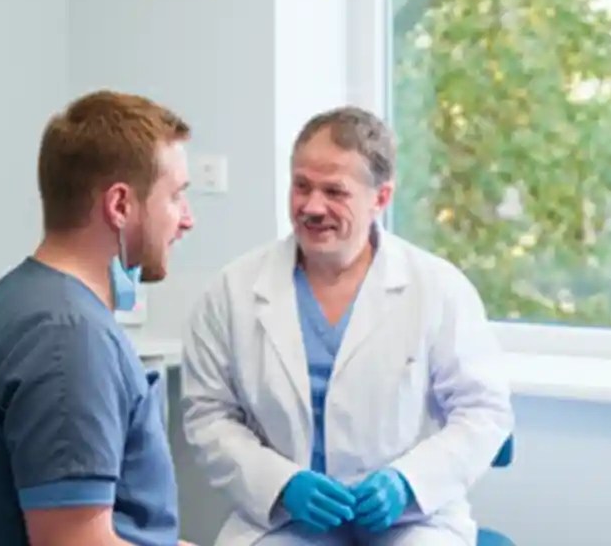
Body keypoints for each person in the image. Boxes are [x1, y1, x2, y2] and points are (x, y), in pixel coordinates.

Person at [182, 106, 513, 546]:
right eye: (301, 186)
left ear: (381, 198)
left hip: (412, 521)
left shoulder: (437, 288)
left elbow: (483, 411)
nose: (312, 207)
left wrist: (407, 483)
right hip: (286, 520)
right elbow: (208, 415)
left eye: (334, 191)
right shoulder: (234, 290)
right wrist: (281, 484)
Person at [0, 90, 197, 545]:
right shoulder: (67, 337)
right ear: (120, 205)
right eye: (176, 196)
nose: (187, 220)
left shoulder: (9, 306)